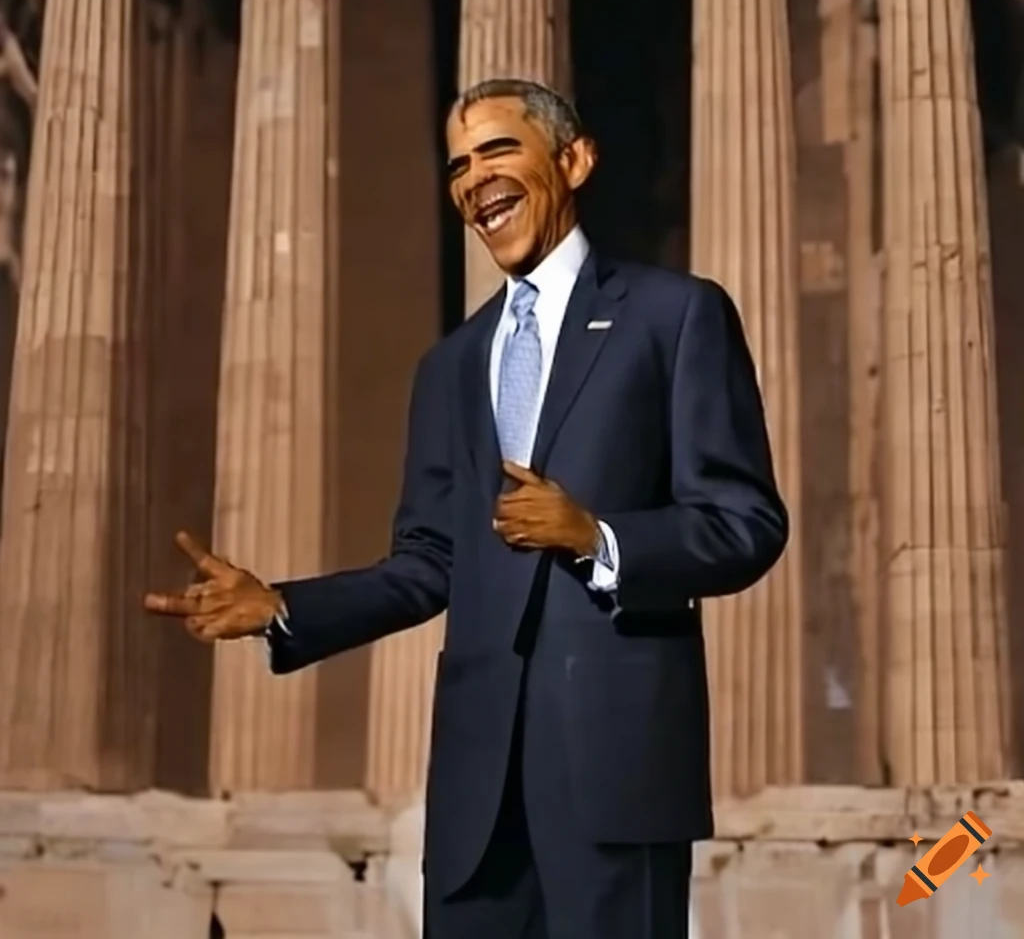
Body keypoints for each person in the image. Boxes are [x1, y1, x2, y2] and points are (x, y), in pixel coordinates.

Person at [145, 79, 788, 939]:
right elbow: (427, 562)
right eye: (456, 164)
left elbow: (745, 521)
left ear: (574, 159)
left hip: (615, 765)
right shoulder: (450, 365)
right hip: (476, 793)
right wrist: (285, 609)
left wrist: (598, 538)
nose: (471, 178)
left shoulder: (674, 316)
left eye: (496, 151)